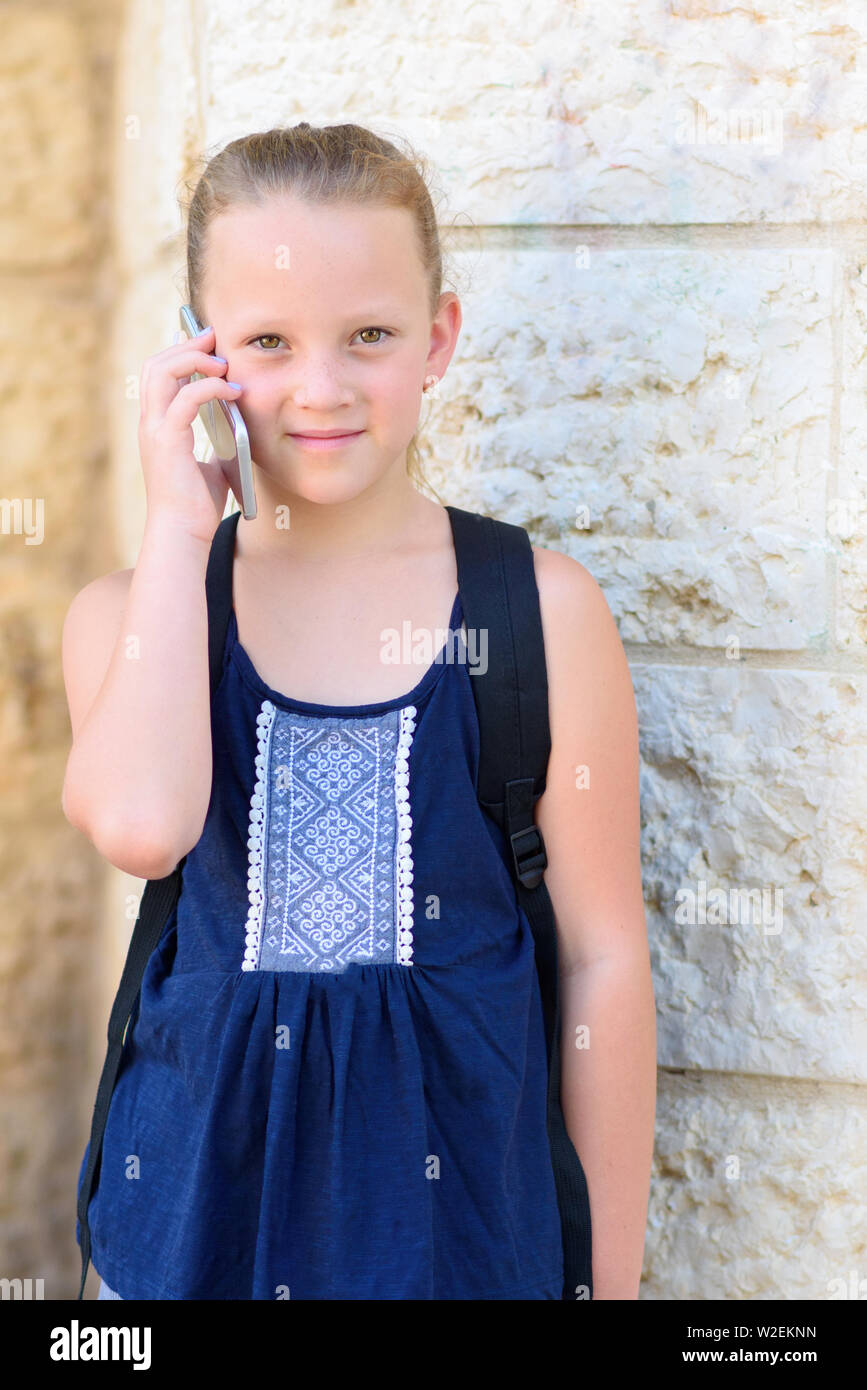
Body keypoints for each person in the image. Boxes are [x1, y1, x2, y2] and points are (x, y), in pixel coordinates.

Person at [62, 122, 656, 1300]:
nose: (321, 388)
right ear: (200, 354)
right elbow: (141, 826)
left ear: (436, 339)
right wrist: (180, 527)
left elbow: (602, 959)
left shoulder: (537, 612)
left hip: (461, 1249)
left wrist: (611, 1285)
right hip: (188, 1242)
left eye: (369, 336)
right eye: (268, 343)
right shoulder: (138, 610)